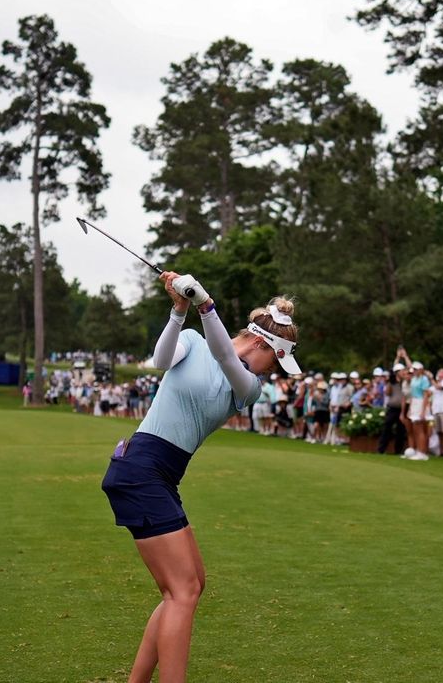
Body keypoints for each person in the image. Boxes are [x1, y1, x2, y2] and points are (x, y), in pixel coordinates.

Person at [101, 271, 300, 683]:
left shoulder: (248, 386)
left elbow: (226, 356)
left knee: (191, 585)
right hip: (141, 469)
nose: (275, 372)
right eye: (276, 362)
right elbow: (160, 361)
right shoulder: (192, 340)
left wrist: (206, 305)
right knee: (184, 590)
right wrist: (180, 311)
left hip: (159, 476)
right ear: (263, 344)